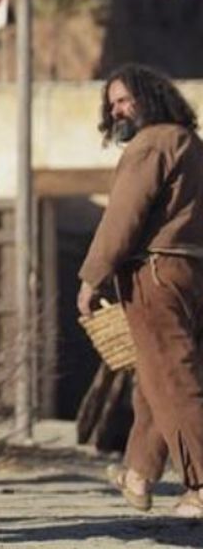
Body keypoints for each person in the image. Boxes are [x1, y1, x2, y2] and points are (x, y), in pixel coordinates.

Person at [77, 64, 203, 516]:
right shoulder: (191, 145)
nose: (118, 110)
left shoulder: (152, 144)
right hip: (188, 272)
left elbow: (122, 217)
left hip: (153, 273)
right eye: (112, 105)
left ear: (150, 97)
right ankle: (139, 473)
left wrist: (92, 278)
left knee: (172, 378)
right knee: (155, 379)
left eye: (125, 100)